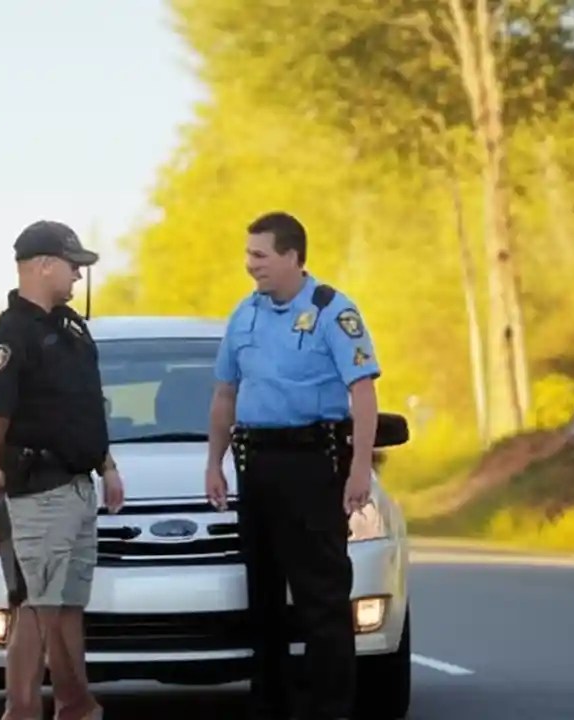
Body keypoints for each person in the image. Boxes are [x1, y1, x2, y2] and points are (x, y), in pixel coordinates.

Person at [204, 211, 381, 720]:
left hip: (313, 465)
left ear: (291, 257)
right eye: (248, 254)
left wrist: (360, 467)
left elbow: (363, 393)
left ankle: (329, 709)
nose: (250, 265)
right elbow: (224, 392)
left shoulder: (333, 311)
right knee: (262, 597)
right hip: (255, 464)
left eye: (259, 255)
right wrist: (214, 462)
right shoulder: (245, 315)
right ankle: (271, 704)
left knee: (321, 599)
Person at [0, 219, 125, 720]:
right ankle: (21, 711)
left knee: (64, 605)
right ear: (42, 266)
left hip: (77, 485)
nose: (78, 278)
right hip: (39, 488)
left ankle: (74, 704)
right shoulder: (9, 335)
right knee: (37, 605)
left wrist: (107, 465)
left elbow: (83, 408)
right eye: (72, 266)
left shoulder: (69, 328)